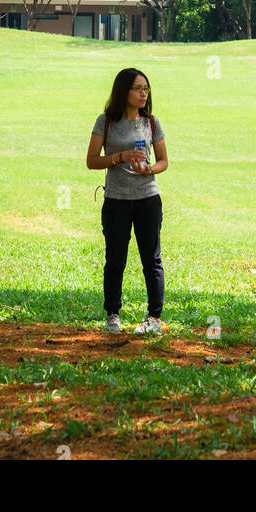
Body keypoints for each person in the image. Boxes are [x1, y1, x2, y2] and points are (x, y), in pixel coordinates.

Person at [87, 67, 168, 334]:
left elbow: (164, 161)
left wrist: (150, 169)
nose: (144, 93)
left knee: (151, 259)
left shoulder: (152, 122)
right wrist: (120, 157)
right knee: (115, 259)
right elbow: (91, 161)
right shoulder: (106, 121)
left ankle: (154, 319)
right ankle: (113, 316)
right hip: (117, 200)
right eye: (138, 88)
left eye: (146, 89)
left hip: (147, 198)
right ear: (124, 91)